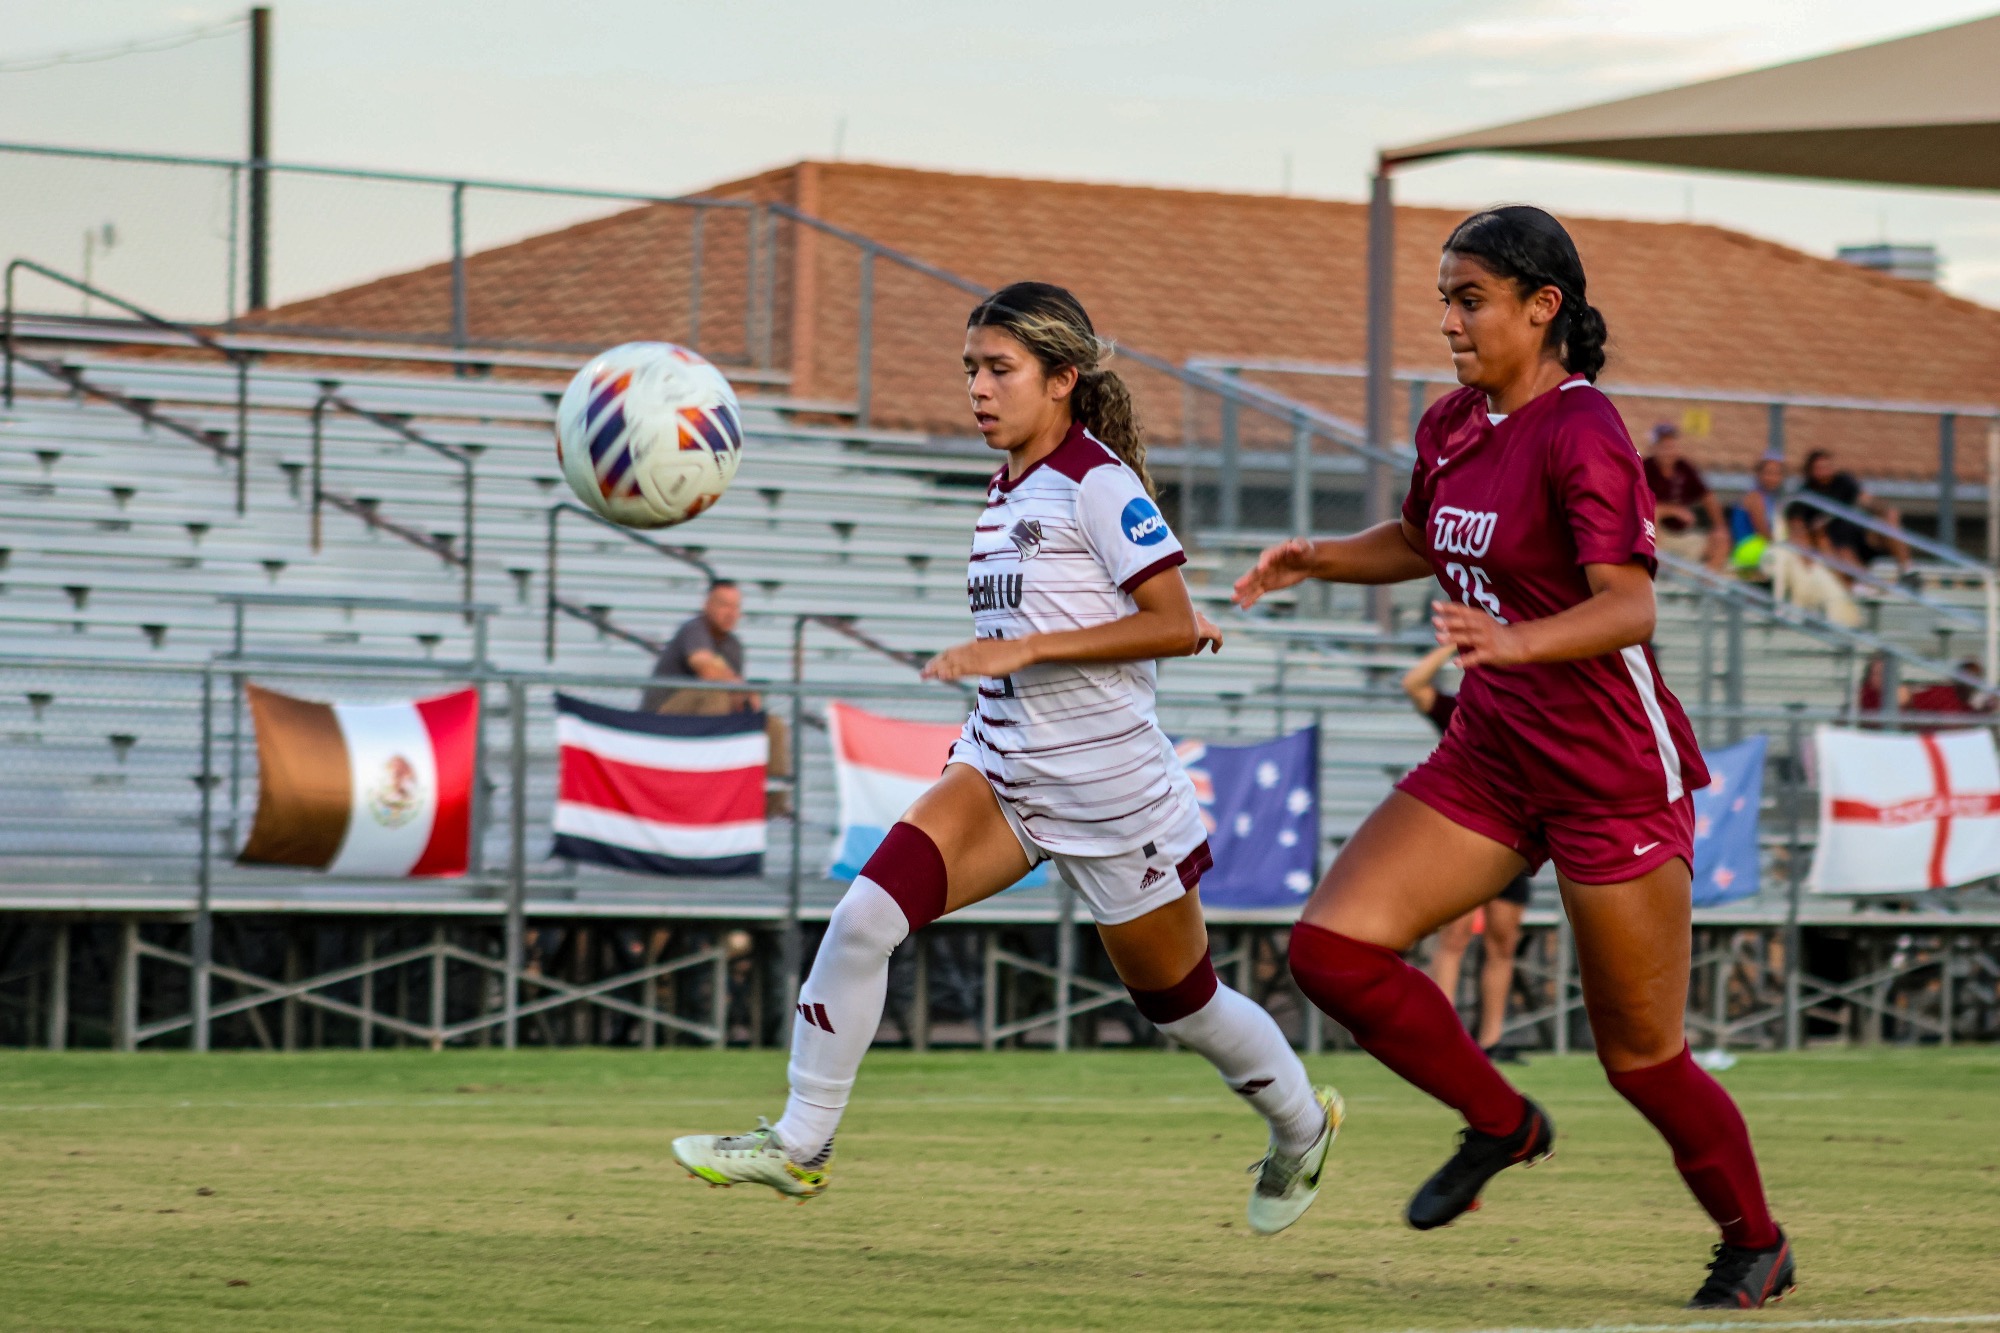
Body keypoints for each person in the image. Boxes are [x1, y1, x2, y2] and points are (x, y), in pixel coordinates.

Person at [673, 282, 1340, 1235]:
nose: (979, 388)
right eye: (970, 370)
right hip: (1004, 769)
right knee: (865, 915)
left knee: (1183, 1003)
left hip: (1111, 793)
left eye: (1000, 369)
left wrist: (1027, 649)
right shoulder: (1005, 488)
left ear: (1063, 379)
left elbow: (1172, 620)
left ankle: (1303, 1124)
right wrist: (1017, 670)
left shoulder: (1098, 482)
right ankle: (800, 1142)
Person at [1234, 206, 1791, 1309]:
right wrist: (1320, 561)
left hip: (1606, 772)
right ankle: (1501, 1121)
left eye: (1468, 297)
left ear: (1543, 308)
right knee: (1330, 951)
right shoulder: (1451, 420)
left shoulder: (1583, 428)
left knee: (1639, 1057)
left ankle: (1755, 1243)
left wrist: (1514, 640)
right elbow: (1418, 536)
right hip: (1492, 756)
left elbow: (1627, 603)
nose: (1447, 318)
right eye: (1442, 296)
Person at [1401, 643, 1529, 1064]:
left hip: (1514, 837)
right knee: (1453, 937)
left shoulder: (1528, 714)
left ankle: (1490, 1040)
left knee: (1502, 941)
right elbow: (1413, 683)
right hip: (1465, 833)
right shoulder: (1459, 711)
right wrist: (1451, 647)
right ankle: (1444, 1037)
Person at [639, 580, 793, 810]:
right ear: (706, 605)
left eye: (736, 607)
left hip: (702, 715)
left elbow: (737, 697)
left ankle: (773, 802)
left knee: (773, 725)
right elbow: (706, 668)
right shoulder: (694, 629)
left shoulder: (734, 646)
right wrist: (742, 687)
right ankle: (711, 778)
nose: (731, 613)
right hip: (662, 716)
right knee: (715, 693)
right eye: (723, 605)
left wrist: (749, 703)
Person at [1801, 449, 1910, 577]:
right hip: (1836, 542)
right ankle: (1866, 585)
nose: (1824, 471)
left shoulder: (1842, 481)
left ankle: (1907, 570)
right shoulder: (1805, 494)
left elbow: (1866, 499)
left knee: (1888, 523)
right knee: (1843, 551)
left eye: (1827, 467)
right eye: (1819, 468)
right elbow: (1804, 528)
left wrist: (1886, 511)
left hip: (1861, 534)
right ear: (1811, 470)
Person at [1764, 502, 1862, 628]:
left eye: (1802, 529)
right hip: (1796, 615)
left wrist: (1821, 543)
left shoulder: (1820, 550)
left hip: (1826, 615)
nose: (1799, 535)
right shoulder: (1781, 553)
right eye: (1795, 529)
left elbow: (1843, 577)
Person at [1643, 424, 1728, 570]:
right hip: (1658, 535)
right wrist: (1673, 510)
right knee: (1654, 513)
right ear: (1654, 448)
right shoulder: (1645, 468)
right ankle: (1657, 567)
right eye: (1663, 446)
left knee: (1721, 538)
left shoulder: (1684, 468)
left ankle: (1707, 583)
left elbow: (1707, 496)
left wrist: (1719, 525)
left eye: (1671, 446)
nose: (1668, 451)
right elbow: (1643, 506)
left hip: (1684, 533)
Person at [1725, 456, 1787, 573]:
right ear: (1759, 475)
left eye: (1777, 474)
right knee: (1788, 556)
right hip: (1747, 549)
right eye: (1769, 473)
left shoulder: (1773, 499)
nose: (1773, 478)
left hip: (1762, 547)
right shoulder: (1755, 497)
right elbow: (1763, 531)